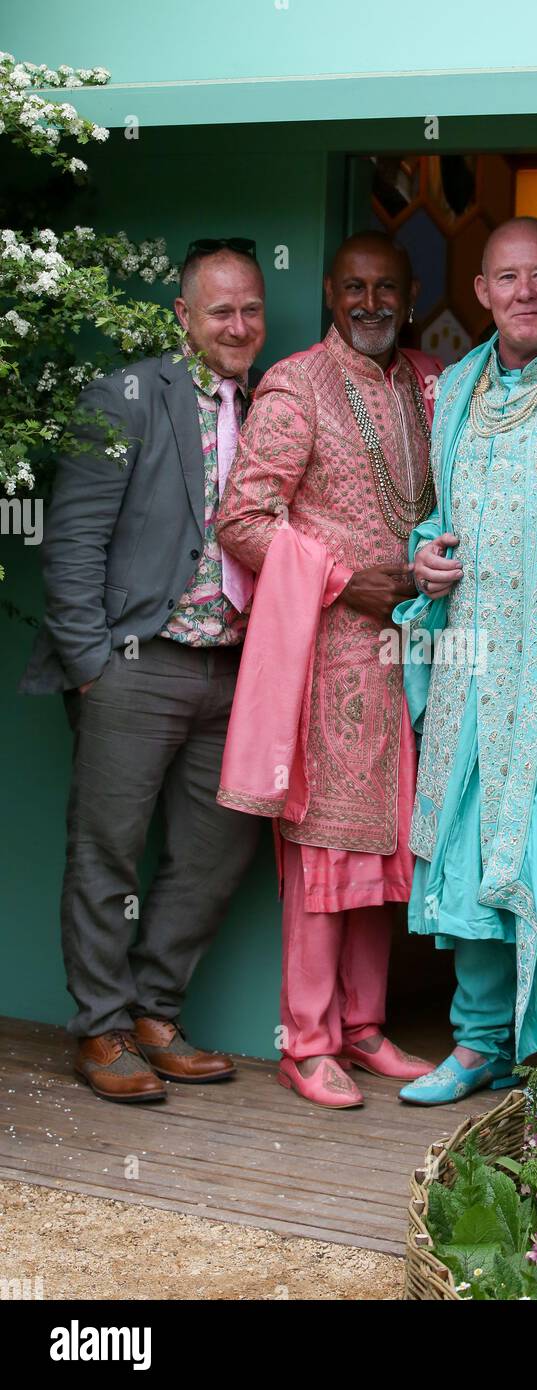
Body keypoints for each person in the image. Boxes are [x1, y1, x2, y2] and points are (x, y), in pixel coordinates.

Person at [19, 238, 267, 1102]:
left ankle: (157, 1014)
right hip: (136, 665)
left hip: (234, 672)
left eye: (251, 310)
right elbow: (73, 542)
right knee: (107, 856)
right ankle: (102, 1030)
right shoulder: (125, 397)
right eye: (221, 311)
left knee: (213, 853)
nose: (239, 326)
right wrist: (93, 667)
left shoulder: (268, 403)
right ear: (184, 317)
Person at [394, 217, 537, 1109]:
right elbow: (435, 512)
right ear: (480, 292)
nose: (525, 292)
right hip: (469, 662)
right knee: (466, 853)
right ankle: (480, 1041)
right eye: (506, 278)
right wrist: (425, 559)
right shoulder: (454, 387)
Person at [216, 231, 441, 1109]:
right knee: (323, 847)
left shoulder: (426, 383)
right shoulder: (295, 384)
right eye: (355, 288)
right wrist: (345, 580)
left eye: (387, 288)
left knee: (385, 842)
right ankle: (305, 1041)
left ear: (410, 293)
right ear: (329, 293)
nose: (371, 303)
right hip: (327, 657)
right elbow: (244, 518)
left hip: (409, 660)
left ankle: (364, 1027)